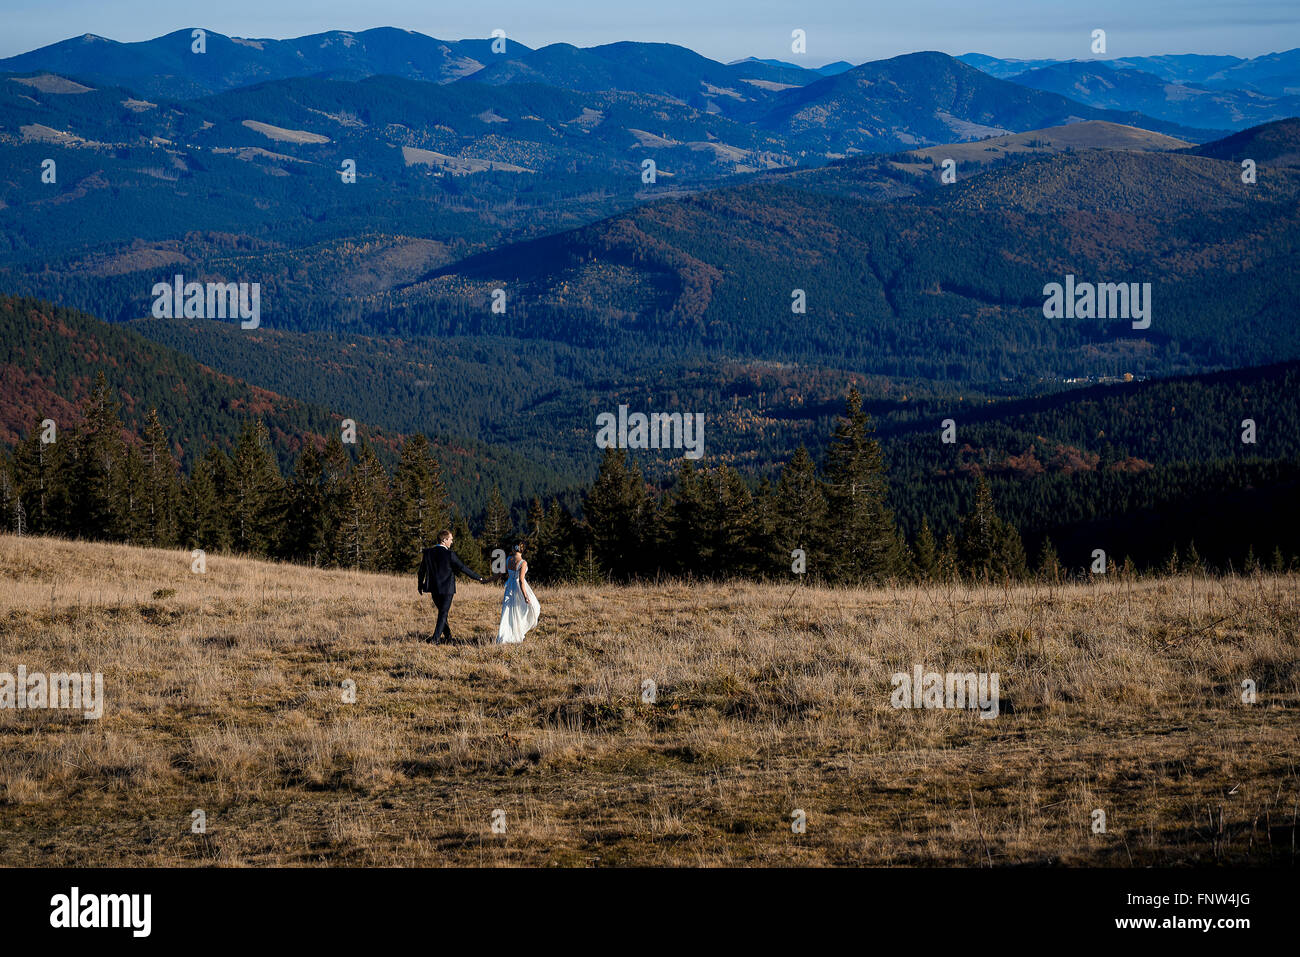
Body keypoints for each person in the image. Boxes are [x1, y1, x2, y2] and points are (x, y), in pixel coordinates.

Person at [417, 529, 486, 642]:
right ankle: (435, 639)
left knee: (442, 613)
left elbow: (421, 571)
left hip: (433, 588)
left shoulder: (428, 553)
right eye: (450, 539)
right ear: (444, 540)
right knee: (443, 613)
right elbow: (463, 568)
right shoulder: (450, 554)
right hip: (447, 589)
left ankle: (448, 638)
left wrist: (420, 585)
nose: (452, 542)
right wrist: (479, 578)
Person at [496, 543, 540, 644]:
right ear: (522, 550)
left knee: (508, 611)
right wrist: (525, 596)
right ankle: (517, 633)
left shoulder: (508, 560)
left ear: (513, 549)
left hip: (510, 586)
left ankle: (506, 636)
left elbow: (499, 574)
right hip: (519, 588)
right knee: (526, 609)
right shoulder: (523, 563)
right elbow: (521, 580)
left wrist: (487, 580)